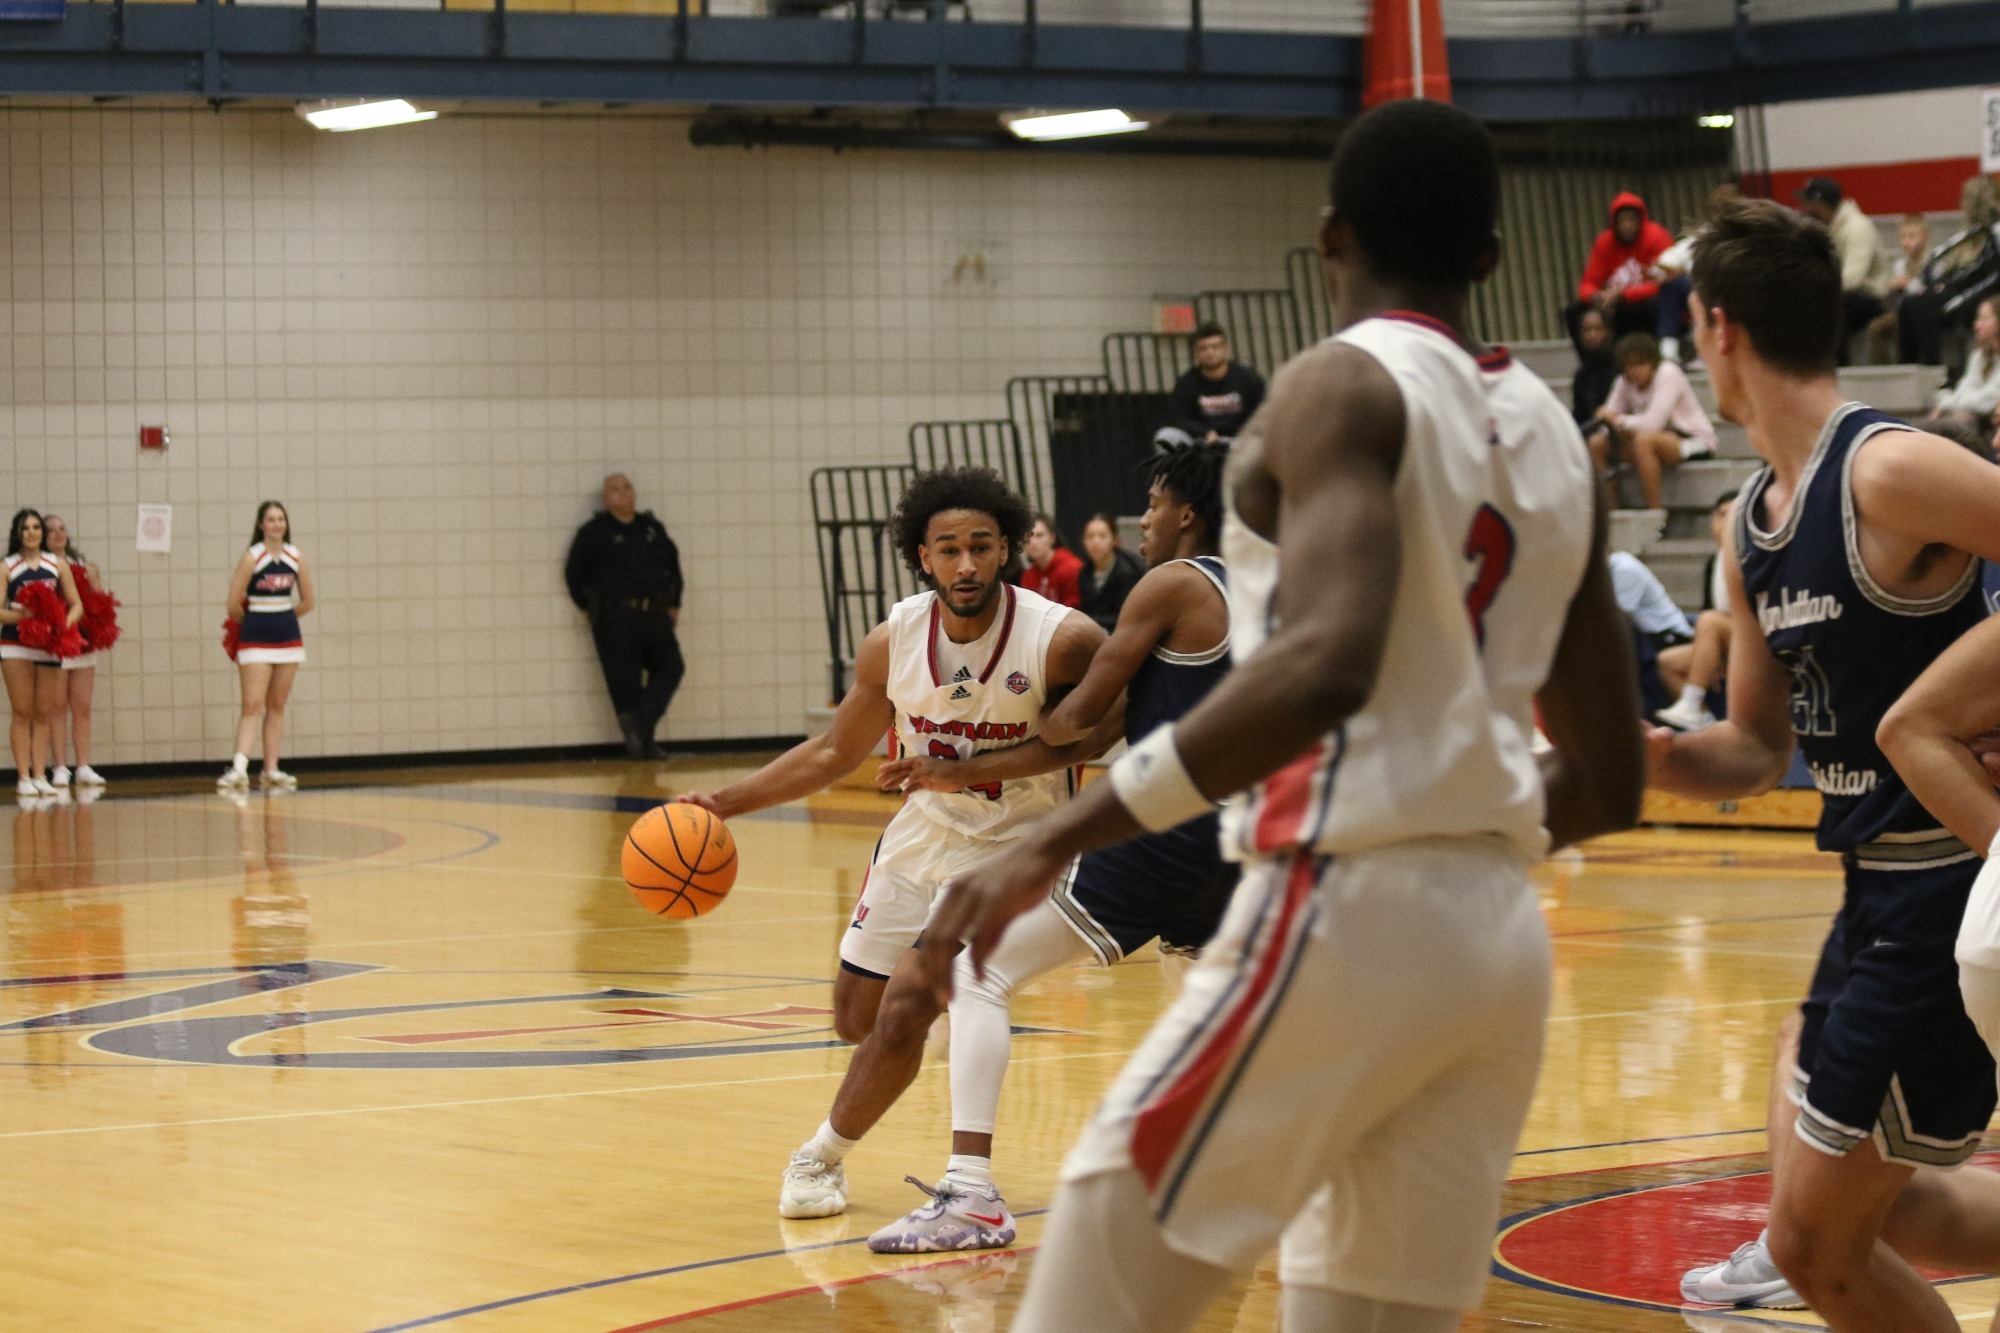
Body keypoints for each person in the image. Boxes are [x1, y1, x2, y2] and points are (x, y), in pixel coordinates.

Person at [917, 99, 1645, 1333]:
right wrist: (1461, 834)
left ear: (1329, 239)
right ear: (1489, 257)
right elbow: (1611, 780)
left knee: (1085, 1298)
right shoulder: (1558, 443)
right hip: (1495, 937)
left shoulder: (1336, 383)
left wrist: (1056, 834)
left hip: (1342, 902)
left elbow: (1325, 666)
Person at [1646, 199, 2000, 1327]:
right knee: (1891, 1220)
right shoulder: (1748, 523)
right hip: (1864, 896)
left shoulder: (1884, 470)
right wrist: (1626, 755)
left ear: (1715, 331)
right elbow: (1752, 750)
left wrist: (1957, 696)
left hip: (1947, 887)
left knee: (1813, 1248)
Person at [671, 466, 1106, 1223]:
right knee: (855, 1017)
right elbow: (834, 753)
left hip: (1020, 843)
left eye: (980, 546)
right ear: (922, 557)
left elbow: (1097, 737)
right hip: (921, 837)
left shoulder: (1059, 639)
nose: (965, 563)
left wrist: (963, 768)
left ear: (1006, 549)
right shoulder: (895, 640)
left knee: (907, 1007)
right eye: (947, 549)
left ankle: (822, 1157)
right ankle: (926, 1025)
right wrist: (724, 802)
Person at [853, 441, 1237, 1255]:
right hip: (1248, 844)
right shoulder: (1277, 591)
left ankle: (971, 1194)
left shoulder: (1172, 583)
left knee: (973, 969)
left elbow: (1071, 723)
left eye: (1159, 503)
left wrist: (1072, 715)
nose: (1147, 518)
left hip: (1169, 829)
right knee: (1216, 1027)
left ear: (1190, 513)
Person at [564, 473, 685, 759]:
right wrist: (585, 606)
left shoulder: (651, 528)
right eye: (615, 490)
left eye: (627, 487)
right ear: (606, 500)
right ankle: (644, 745)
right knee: (626, 684)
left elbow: (674, 566)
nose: (623, 493)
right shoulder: (594, 532)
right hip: (614, 618)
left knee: (672, 667)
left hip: (653, 614)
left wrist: (675, 603)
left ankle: (637, 723)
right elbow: (573, 572)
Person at [219, 502, 315, 791]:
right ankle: (238, 768)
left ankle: (271, 769)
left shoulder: (296, 557)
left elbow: (308, 601)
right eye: (271, 520)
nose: (276, 524)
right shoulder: (252, 557)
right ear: (261, 525)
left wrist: (283, 616)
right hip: (255, 637)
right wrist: (256, 619)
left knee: (277, 705)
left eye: (281, 519)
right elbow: (233, 604)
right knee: (252, 705)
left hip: (288, 638)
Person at [1, 509, 82, 799]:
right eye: (26, 528)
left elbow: (76, 604)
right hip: (15, 644)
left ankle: (40, 774)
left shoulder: (57, 564)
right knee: (23, 711)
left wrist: (63, 624)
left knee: (43, 711)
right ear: (18, 533)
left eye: (36, 527)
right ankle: (23, 776)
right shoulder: (7, 566)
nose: (32, 532)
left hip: (49, 644)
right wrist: (22, 613)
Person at [1590, 332, 1717, 510]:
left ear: (1653, 362)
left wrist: (1617, 420)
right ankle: (1612, 511)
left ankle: (1654, 513)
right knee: (1597, 444)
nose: (1635, 370)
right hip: (1650, 438)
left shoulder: (1669, 373)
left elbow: (1652, 424)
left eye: (1641, 364)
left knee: (1643, 441)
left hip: (1692, 440)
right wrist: (1611, 420)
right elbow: (1604, 425)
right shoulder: (1624, 380)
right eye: (1630, 366)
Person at [1655, 489, 1737, 732]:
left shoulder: (1757, 557)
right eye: (1720, 516)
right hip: (1728, 639)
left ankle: (1691, 701)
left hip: (1759, 640)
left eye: (1732, 516)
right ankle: (1704, 723)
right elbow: (1710, 609)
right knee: (1667, 662)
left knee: (1709, 621)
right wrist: (1712, 655)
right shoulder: (1714, 562)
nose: (1725, 523)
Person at [41, 515, 108, 788]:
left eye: (62, 529)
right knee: (56, 707)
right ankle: (60, 767)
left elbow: (101, 604)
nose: (58, 534)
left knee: (82, 706)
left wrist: (95, 581)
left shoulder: (83, 566)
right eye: (51, 530)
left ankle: (82, 766)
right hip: (54, 641)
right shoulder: (41, 566)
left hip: (82, 641)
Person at [1795, 178, 1892, 365]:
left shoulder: (1857, 227)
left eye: (1808, 203)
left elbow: (1852, 280)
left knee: (1833, 304)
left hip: (1871, 298)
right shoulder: (1827, 228)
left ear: (1821, 205)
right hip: (1843, 294)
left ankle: (1838, 368)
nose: (1804, 209)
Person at [1567, 190, 1675, 350]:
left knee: (1656, 304)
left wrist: (1624, 295)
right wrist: (1596, 296)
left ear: (1641, 220)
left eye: (1631, 220)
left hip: (1644, 301)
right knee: (1574, 311)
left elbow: (1667, 282)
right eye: (1621, 221)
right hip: (1615, 304)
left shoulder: (1657, 236)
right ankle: (1593, 364)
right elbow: (1588, 282)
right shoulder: (1604, 242)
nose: (1626, 226)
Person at [1917, 296, 2000, 441]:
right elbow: (1966, 386)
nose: (1976, 325)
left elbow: (1990, 399)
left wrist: (1951, 405)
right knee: (1926, 427)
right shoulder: (1980, 356)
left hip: (1991, 421)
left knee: (1962, 420)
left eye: (1984, 319)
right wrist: (1944, 406)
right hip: (1976, 415)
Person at [1166, 323, 1265, 444]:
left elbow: (1263, 410)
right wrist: (1205, 433)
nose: (1210, 352)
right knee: (1166, 436)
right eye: (1203, 348)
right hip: (1202, 442)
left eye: (1215, 346)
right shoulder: (1186, 383)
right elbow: (1178, 418)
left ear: (1226, 350)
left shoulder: (1248, 378)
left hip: (1242, 440)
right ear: (1196, 353)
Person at [1076, 513, 1144, 633]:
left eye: (1102, 536)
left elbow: (1125, 617)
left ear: (1114, 540)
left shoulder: (1128, 572)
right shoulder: (1084, 573)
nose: (1095, 542)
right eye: (1090, 536)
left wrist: (1087, 621)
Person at [1572, 307, 1619, 448]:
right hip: (1591, 433)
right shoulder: (1582, 374)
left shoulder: (1622, 368)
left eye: (1597, 329)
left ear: (1609, 332)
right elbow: (1579, 415)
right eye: (1586, 330)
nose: (1591, 335)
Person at [1017, 513, 1082, 608]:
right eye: (1028, 536)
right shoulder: (1028, 575)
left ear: (1052, 538)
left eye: (1039, 535)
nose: (1033, 542)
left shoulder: (1072, 568)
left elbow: (1074, 610)